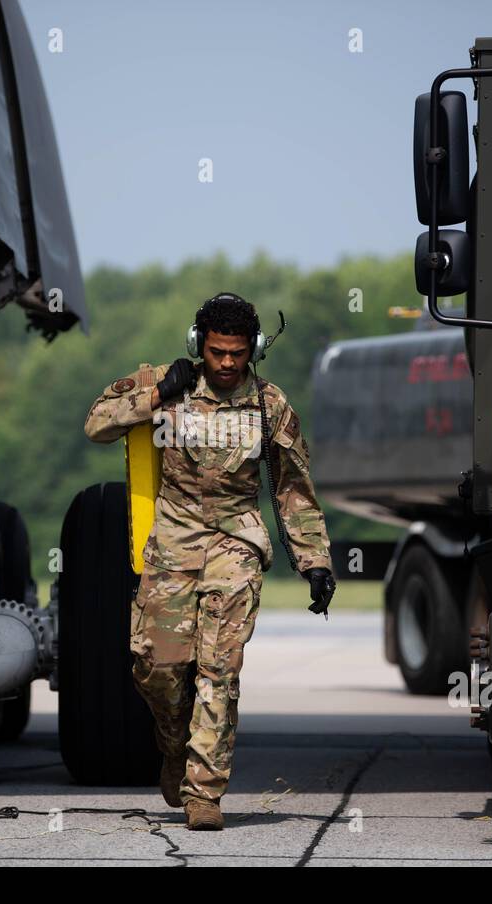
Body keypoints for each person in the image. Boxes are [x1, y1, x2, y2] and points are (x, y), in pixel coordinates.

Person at [83, 292, 335, 830]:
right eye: (218, 351)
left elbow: (294, 490)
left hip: (235, 544)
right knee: (159, 670)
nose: (226, 363)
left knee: (220, 671)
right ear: (199, 345)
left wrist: (315, 561)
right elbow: (97, 424)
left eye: (238, 353)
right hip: (172, 543)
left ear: (254, 351)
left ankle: (204, 792)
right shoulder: (166, 383)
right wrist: (155, 396)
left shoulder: (270, 406)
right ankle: (174, 749)